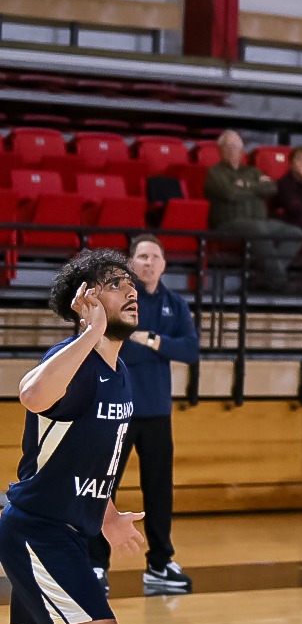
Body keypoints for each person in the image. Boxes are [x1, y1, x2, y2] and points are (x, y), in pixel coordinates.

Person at [0, 249, 147, 624]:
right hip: (38, 532)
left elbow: (86, 459)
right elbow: (31, 394)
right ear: (84, 299)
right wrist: (89, 334)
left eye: (131, 283)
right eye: (114, 283)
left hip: (60, 532)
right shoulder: (73, 361)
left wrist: (106, 513)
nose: (130, 289)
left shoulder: (119, 372)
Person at [87, 235, 199, 595]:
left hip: (156, 412)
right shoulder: (120, 297)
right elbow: (99, 338)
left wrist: (151, 339)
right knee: (104, 489)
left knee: (159, 490)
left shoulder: (174, 303)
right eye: (141, 256)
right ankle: (95, 565)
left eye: (155, 257)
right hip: (116, 411)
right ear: (131, 262)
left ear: (164, 264)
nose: (148, 262)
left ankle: (160, 564)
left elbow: (191, 349)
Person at [204, 130, 302, 293]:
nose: (232, 150)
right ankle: (279, 280)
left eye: (236, 146)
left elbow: (271, 188)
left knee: (295, 232)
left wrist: (243, 185)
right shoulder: (215, 172)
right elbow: (230, 194)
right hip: (228, 225)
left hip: (260, 222)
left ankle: (264, 279)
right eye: (228, 146)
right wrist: (255, 187)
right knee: (257, 230)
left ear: (242, 149)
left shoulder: (251, 171)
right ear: (220, 149)